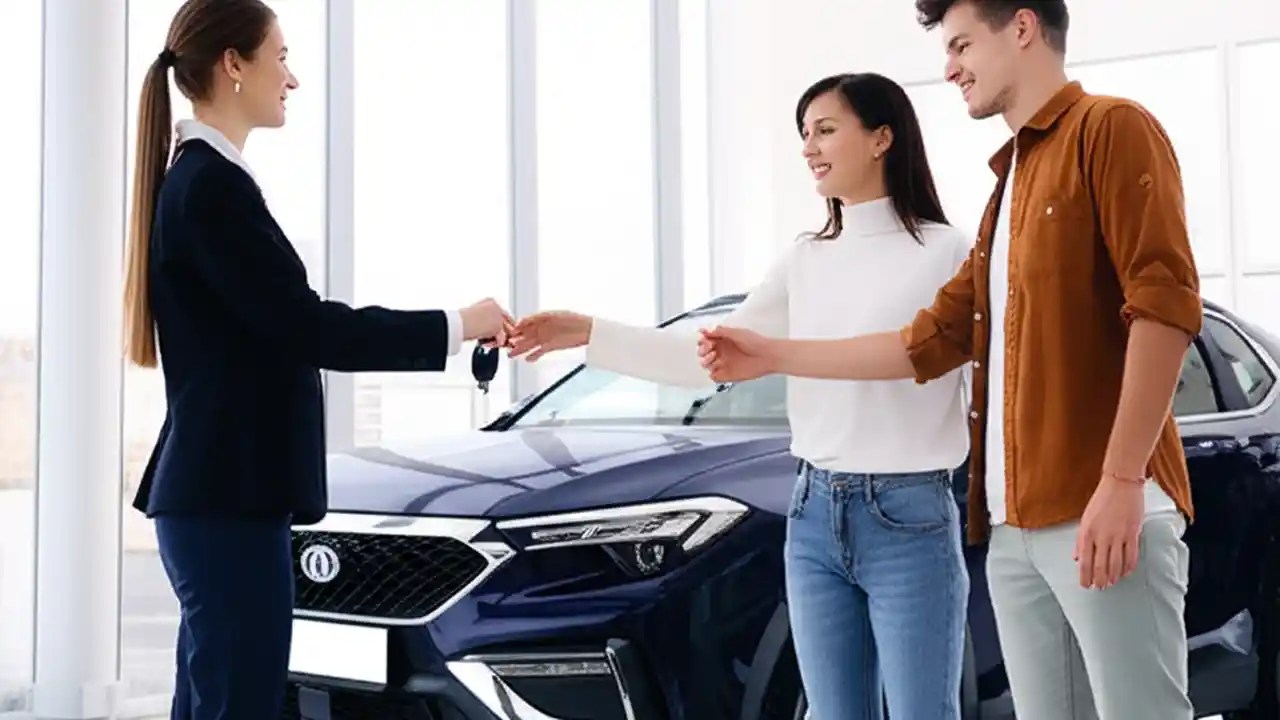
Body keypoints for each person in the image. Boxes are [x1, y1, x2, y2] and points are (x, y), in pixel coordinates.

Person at [698, 2, 1201, 718]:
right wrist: (771, 353)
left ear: (1022, 28)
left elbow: (1165, 306)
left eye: (962, 44)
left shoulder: (1112, 129)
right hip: (1014, 530)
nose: (950, 66)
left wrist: (1123, 479)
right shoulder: (1009, 190)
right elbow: (924, 344)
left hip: (1103, 510)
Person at [508, 73, 973, 719]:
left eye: (827, 130)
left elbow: (935, 368)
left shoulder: (950, 252)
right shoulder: (805, 258)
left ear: (882, 138)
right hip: (812, 509)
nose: (810, 148)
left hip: (909, 512)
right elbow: (711, 362)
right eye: (804, 134)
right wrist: (587, 332)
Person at [120, 1, 513, 717]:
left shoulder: (205, 181)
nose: (292, 78)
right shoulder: (209, 188)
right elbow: (309, 329)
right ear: (234, 65)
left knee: (219, 701)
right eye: (281, 56)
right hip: (225, 501)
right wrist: (456, 326)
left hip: (223, 499)